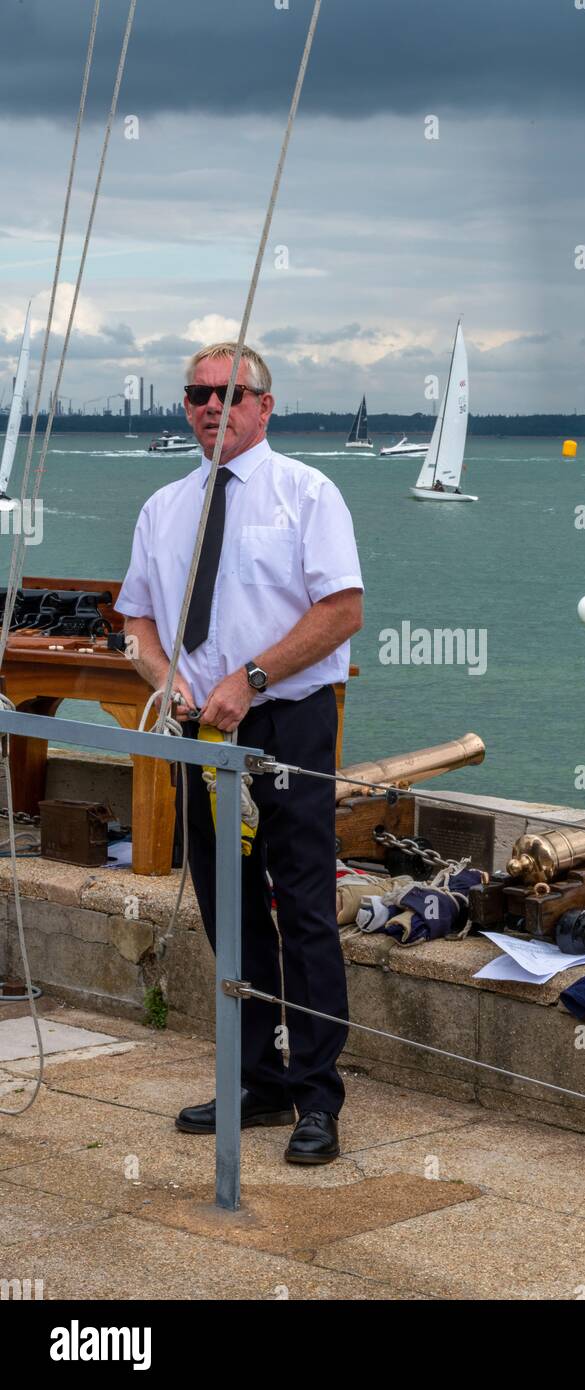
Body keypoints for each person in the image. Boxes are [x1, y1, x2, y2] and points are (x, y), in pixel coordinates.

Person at [115, 342, 364, 1165]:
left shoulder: (307, 493)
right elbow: (138, 621)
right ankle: (256, 1080)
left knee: (301, 906)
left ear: (265, 404)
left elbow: (342, 611)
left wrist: (251, 678)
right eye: (196, 393)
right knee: (230, 902)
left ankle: (318, 1096)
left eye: (229, 392)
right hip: (200, 729)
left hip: (286, 722)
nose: (211, 405)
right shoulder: (163, 507)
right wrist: (169, 681)